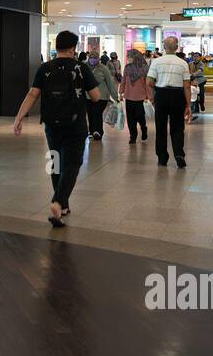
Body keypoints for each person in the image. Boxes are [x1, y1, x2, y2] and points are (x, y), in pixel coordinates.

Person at [13, 30, 102, 227]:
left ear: (57, 47)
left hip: (51, 124)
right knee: (72, 164)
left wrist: (19, 118)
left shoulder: (45, 68)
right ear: (73, 48)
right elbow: (96, 96)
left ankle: (63, 205)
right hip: (76, 124)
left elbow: (32, 94)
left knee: (55, 162)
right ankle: (58, 201)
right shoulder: (81, 68)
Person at [147, 35, 192, 168]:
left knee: (160, 127)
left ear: (164, 47)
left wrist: (152, 98)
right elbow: (187, 85)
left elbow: (149, 82)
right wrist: (188, 105)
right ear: (177, 47)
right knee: (178, 126)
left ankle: (162, 157)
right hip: (177, 96)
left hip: (161, 94)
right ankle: (179, 154)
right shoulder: (183, 63)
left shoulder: (156, 62)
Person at [120, 49, 150, 144]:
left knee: (140, 116)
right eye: (128, 56)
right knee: (130, 118)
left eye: (130, 56)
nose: (129, 58)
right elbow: (124, 80)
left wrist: (148, 95)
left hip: (140, 96)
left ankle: (144, 129)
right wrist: (121, 92)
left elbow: (147, 83)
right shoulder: (127, 67)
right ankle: (133, 136)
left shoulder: (145, 68)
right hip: (128, 95)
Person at [87, 53, 118, 141]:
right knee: (90, 113)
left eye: (95, 58)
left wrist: (115, 96)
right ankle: (91, 131)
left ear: (98, 59)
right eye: (91, 57)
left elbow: (110, 82)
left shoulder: (103, 68)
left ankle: (98, 132)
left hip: (102, 96)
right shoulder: (85, 67)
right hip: (88, 96)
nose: (93, 59)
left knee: (97, 113)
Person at [188, 53, 206, 122]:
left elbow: (200, 70)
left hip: (200, 80)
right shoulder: (190, 63)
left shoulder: (201, 64)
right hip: (192, 81)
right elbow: (188, 70)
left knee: (201, 94)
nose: (195, 58)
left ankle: (202, 105)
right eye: (194, 56)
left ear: (199, 57)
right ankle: (195, 109)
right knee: (193, 95)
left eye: (197, 56)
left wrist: (193, 74)